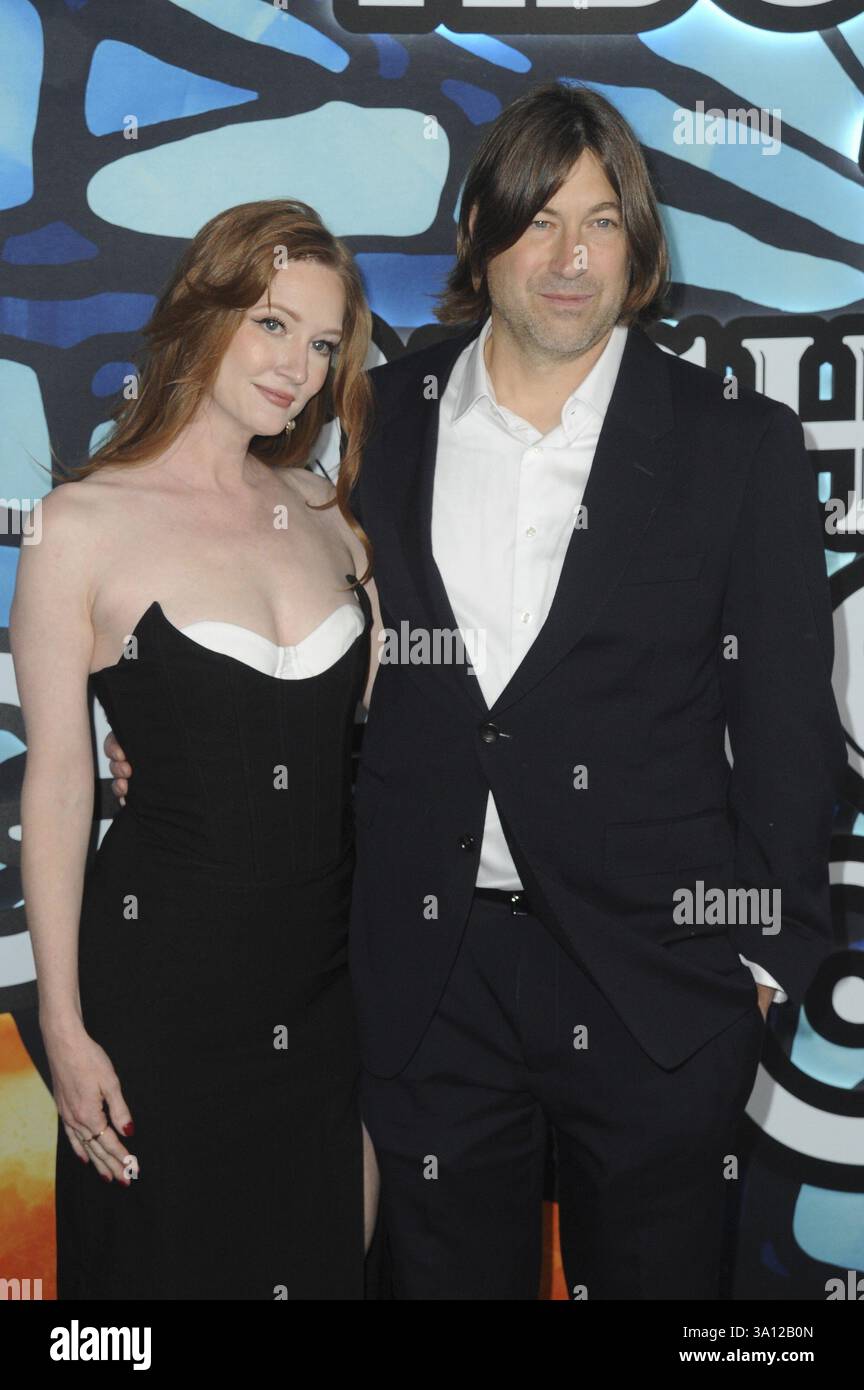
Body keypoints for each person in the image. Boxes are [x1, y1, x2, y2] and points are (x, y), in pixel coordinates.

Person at [109, 83, 848, 1300]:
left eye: (603, 223)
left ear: (640, 248)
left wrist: (762, 961)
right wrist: (186, 748)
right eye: (539, 220)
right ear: (480, 237)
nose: (570, 259)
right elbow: (324, 643)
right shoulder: (382, 415)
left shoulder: (736, 440)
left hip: (659, 983)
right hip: (430, 975)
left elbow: (787, 728)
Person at [13, 199, 382, 1300]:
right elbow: (62, 784)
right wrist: (64, 1024)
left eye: (323, 345)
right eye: (273, 324)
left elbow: (373, 741)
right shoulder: (81, 525)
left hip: (324, 991)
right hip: (162, 993)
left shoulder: (327, 512)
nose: (298, 368)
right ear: (206, 310)